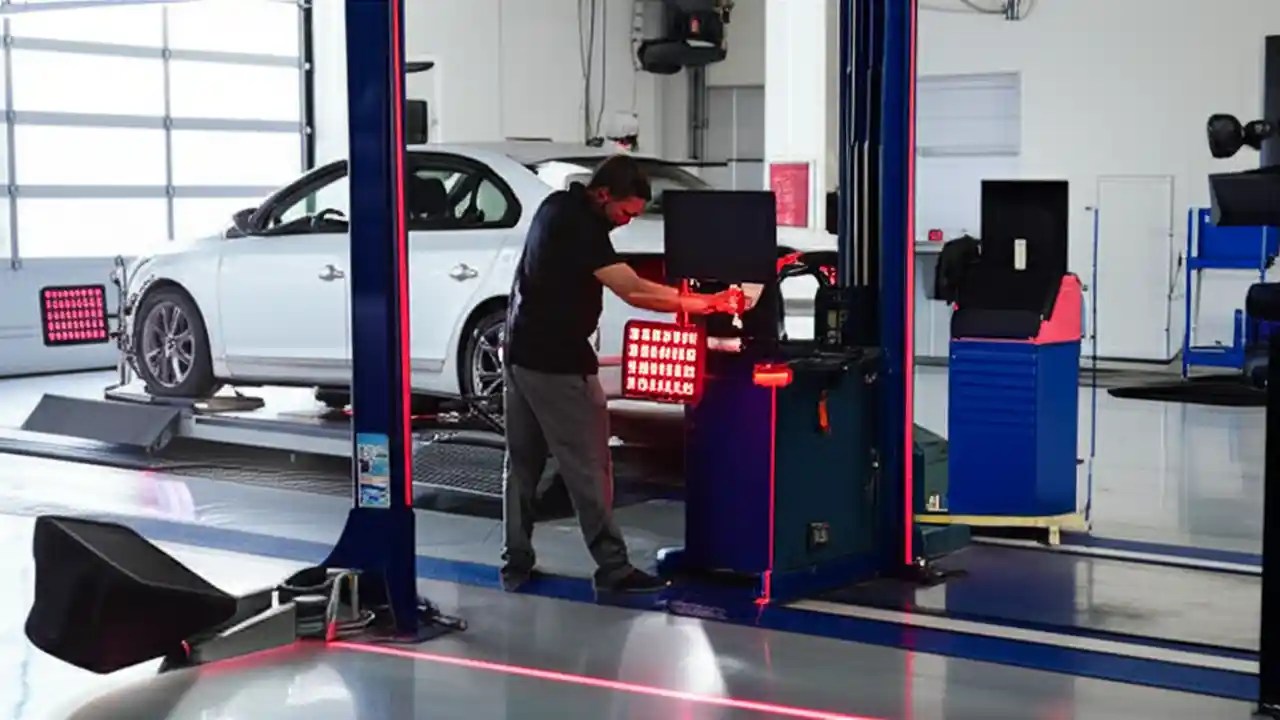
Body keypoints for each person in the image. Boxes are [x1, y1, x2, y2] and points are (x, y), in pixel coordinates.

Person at [501, 154, 738, 593]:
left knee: (523, 465)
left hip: (519, 354)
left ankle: (514, 562)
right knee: (590, 466)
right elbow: (634, 290)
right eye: (626, 212)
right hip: (557, 364)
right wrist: (709, 303)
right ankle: (613, 567)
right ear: (603, 194)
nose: (627, 222)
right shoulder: (581, 226)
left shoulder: (557, 207)